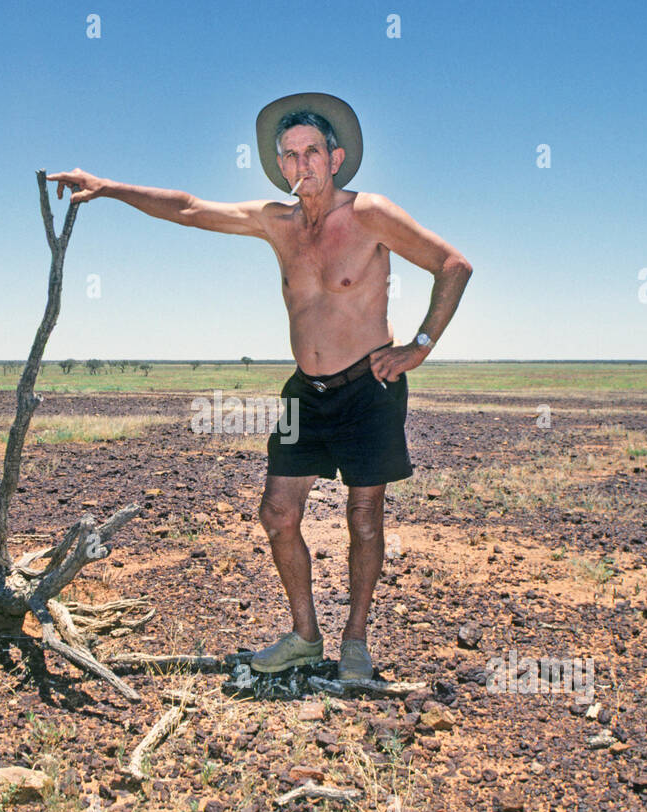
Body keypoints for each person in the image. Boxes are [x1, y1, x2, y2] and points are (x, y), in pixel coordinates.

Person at [48, 91, 472, 680]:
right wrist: (111, 186)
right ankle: (304, 636)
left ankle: (354, 643)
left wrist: (419, 347)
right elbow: (192, 207)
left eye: (312, 152)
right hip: (307, 392)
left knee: (365, 516)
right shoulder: (278, 223)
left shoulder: (370, 213)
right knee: (277, 512)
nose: (302, 165)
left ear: (337, 156)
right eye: (290, 155)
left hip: (369, 386)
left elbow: (452, 264)